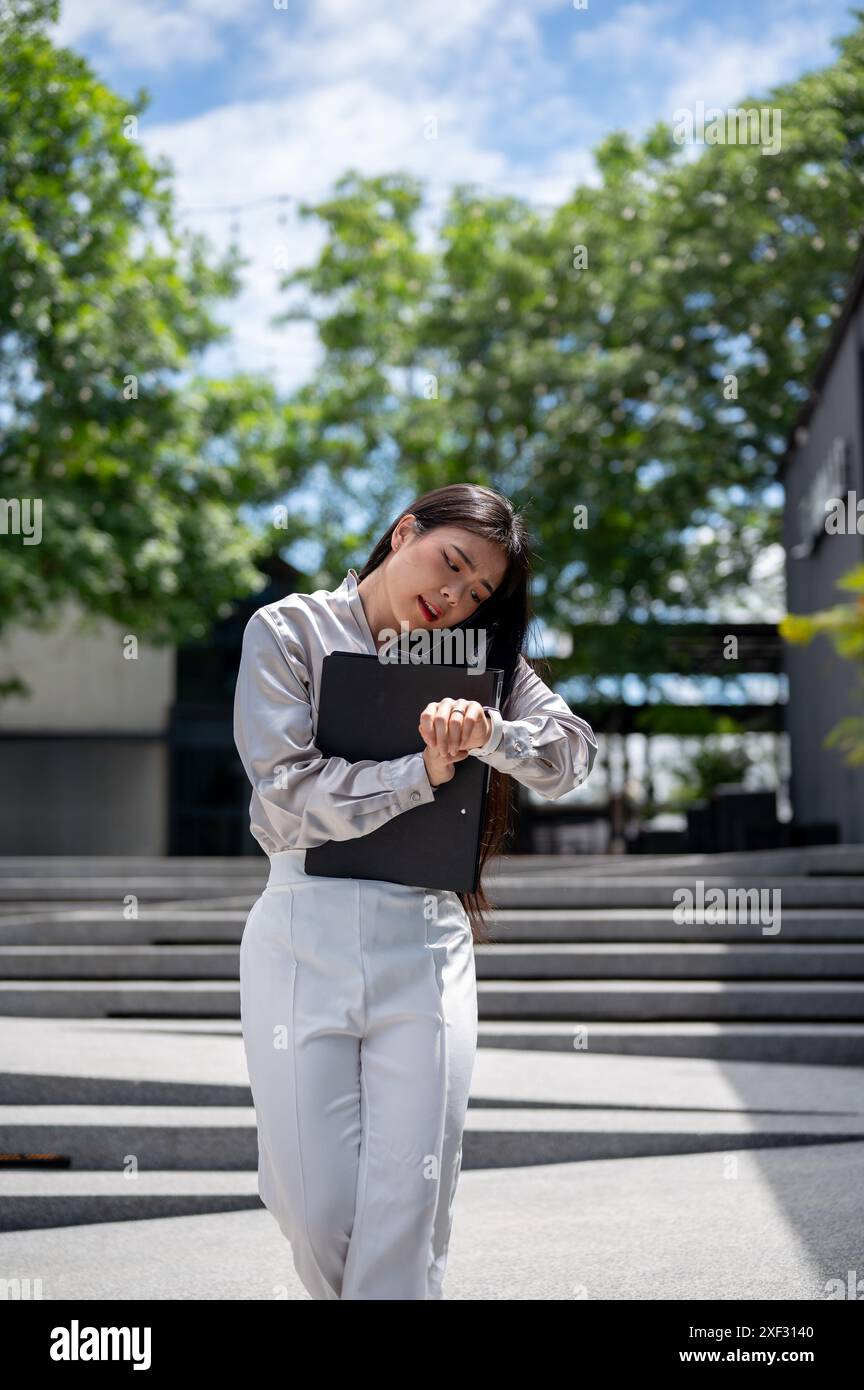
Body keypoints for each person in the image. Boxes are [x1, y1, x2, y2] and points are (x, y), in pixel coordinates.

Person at [233, 482, 598, 1300]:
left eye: (478, 593)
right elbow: (287, 796)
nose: (455, 596)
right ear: (405, 532)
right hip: (301, 931)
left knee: (410, 1203)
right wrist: (421, 771)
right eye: (452, 564)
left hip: (426, 942)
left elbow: (573, 755)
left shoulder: (483, 666)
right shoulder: (291, 630)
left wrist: (492, 734)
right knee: (314, 1204)